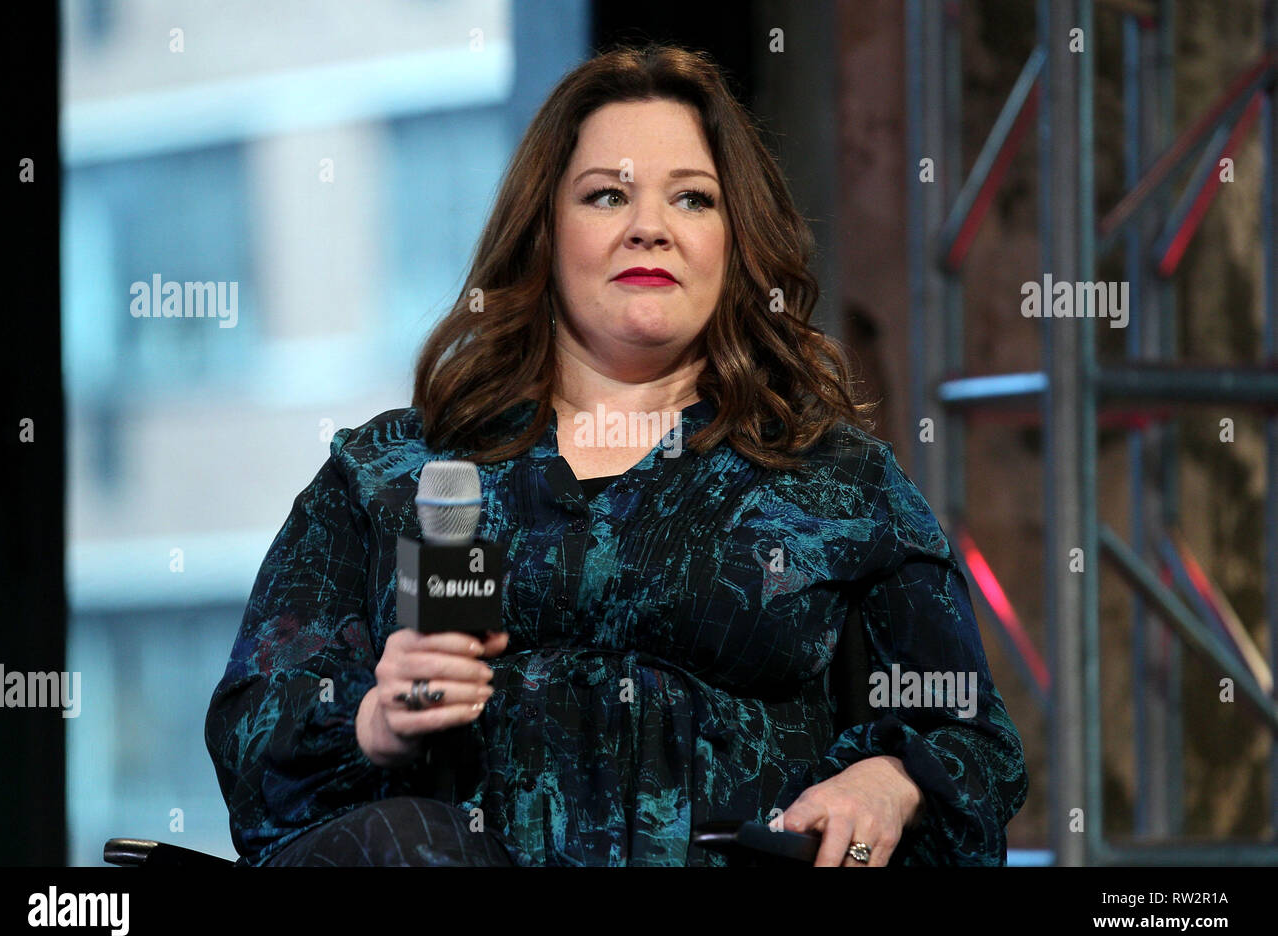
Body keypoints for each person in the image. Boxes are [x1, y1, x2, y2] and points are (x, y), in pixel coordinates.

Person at [204, 42, 1028, 867]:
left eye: (693, 200)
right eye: (607, 195)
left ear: (736, 240)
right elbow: (252, 732)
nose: (649, 227)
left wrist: (890, 780)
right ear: (545, 232)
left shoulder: (837, 483)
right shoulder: (392, 472)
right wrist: (370, 721)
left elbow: (973, 744)